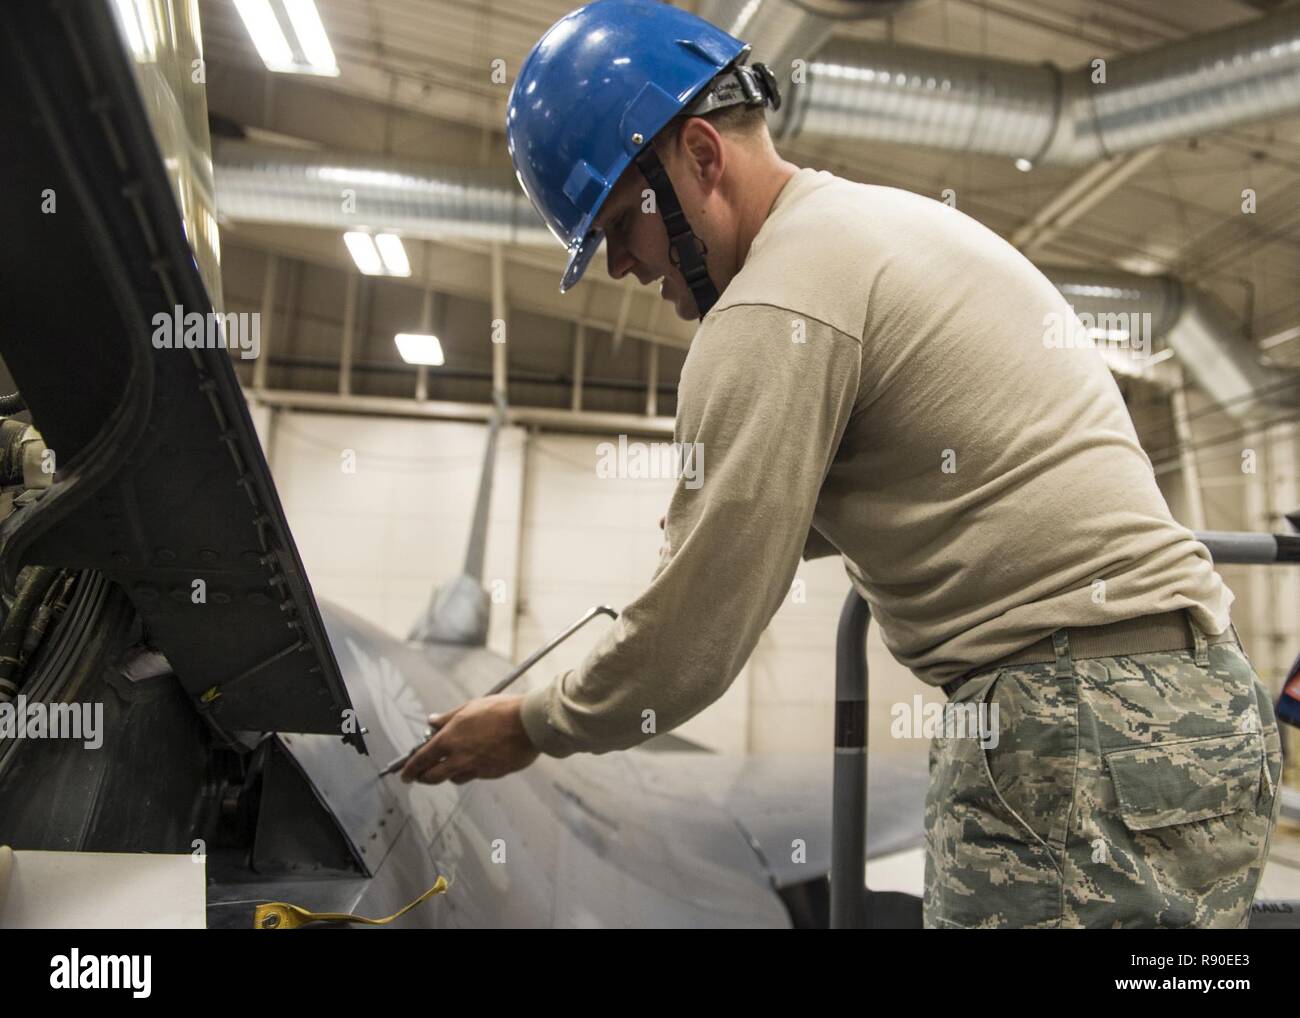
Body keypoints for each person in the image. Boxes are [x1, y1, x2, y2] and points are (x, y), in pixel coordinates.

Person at [400, 0, 1283, 929]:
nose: (620, 264)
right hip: (1202, 714)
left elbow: (690, 646)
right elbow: (880, 498)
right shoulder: (870, 230)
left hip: (1073, 736)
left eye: (621, 224)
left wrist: (531, 723)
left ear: (700, 157)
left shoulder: (773, 307)